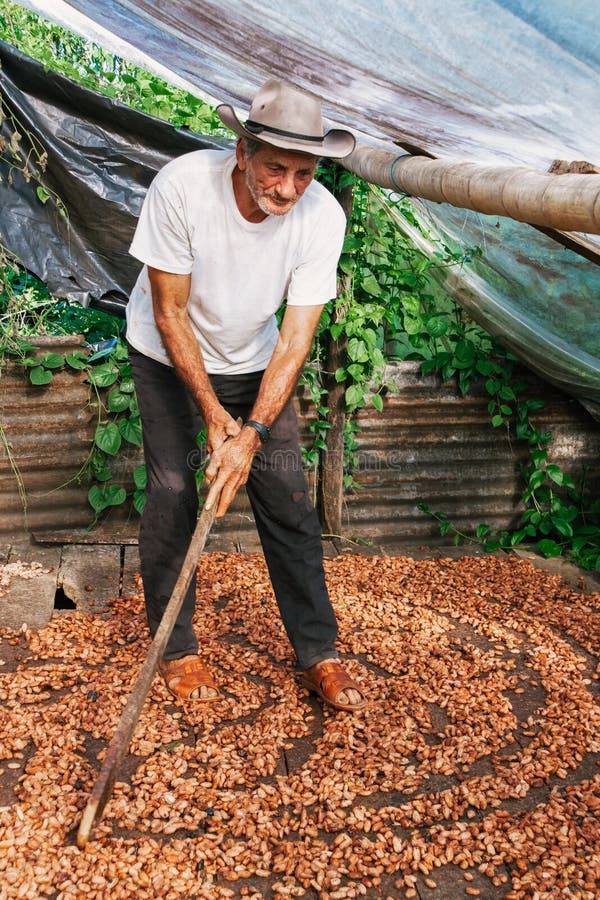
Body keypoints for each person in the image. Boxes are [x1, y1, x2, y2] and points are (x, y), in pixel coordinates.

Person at [126, 78, 366, 712]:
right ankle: (177, 650)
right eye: (275, 168)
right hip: (169, 354)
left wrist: (251, 433)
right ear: (242, 151)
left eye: (304, 173)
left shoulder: (322, 217)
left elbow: (293, 340)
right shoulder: (182, 188)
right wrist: (213, 420)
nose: (287, 188)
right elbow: (171, 314)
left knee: (287, 494)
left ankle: (319, 654)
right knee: (176, 491)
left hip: (258, 364)